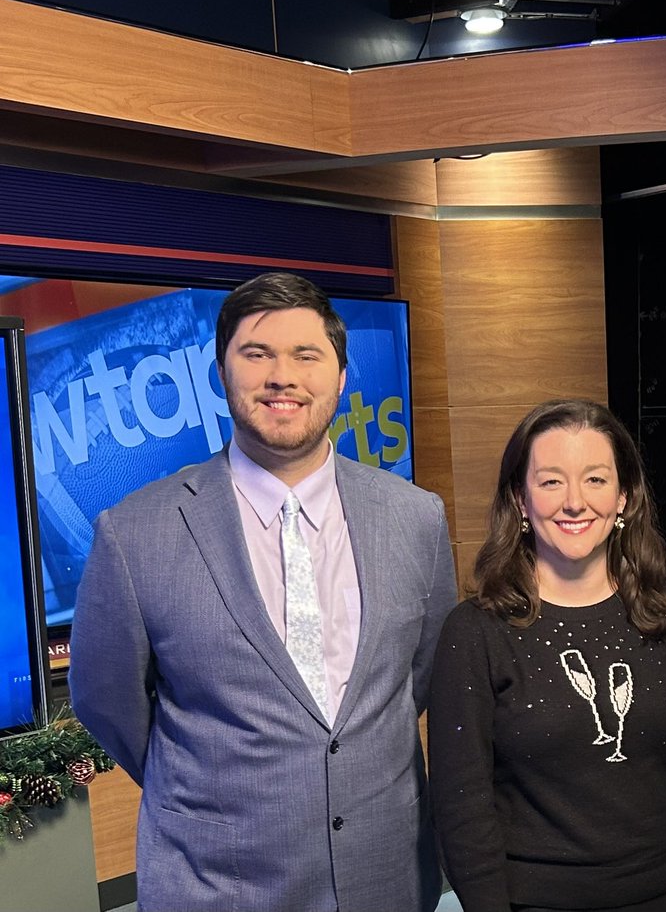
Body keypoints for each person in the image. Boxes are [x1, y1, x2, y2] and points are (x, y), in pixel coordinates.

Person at [69, 272, 457, 912]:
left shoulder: (415, 517)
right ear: (220, 373)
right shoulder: (134, 533)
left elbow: (418, 677)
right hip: (220, 884)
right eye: (257, 354)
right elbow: (107, 701)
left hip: (384, 874)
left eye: (307, 355)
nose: (283, 377)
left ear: (340, 376)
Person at [428, 399, 666, 912]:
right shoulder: (475, 632)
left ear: (624, 497)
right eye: (551, 481)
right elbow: (462, 815)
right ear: (520, 500)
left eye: (595, 479)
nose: (575, 502)